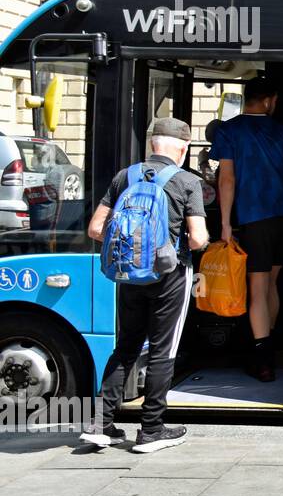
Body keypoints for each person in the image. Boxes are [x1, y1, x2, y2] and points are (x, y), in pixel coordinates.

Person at [81, 119, 208, 453]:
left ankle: (101, 424)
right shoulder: (187, 181)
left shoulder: (125, 176)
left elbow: (96, 229)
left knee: (126, 346)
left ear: (153, 144)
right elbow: (196, 239)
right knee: (163, 350)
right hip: (170, 275)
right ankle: (151, 429)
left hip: (129, 274)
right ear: (183, 148)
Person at [211, 77, 283, 382]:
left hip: (254, 219)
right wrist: (281, 198)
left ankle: (262, 360)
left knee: (257, 290)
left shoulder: (229, 130)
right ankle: (269, 344)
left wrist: (226, 223)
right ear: (268, 101)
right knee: (272, 284)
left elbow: (226, 180)